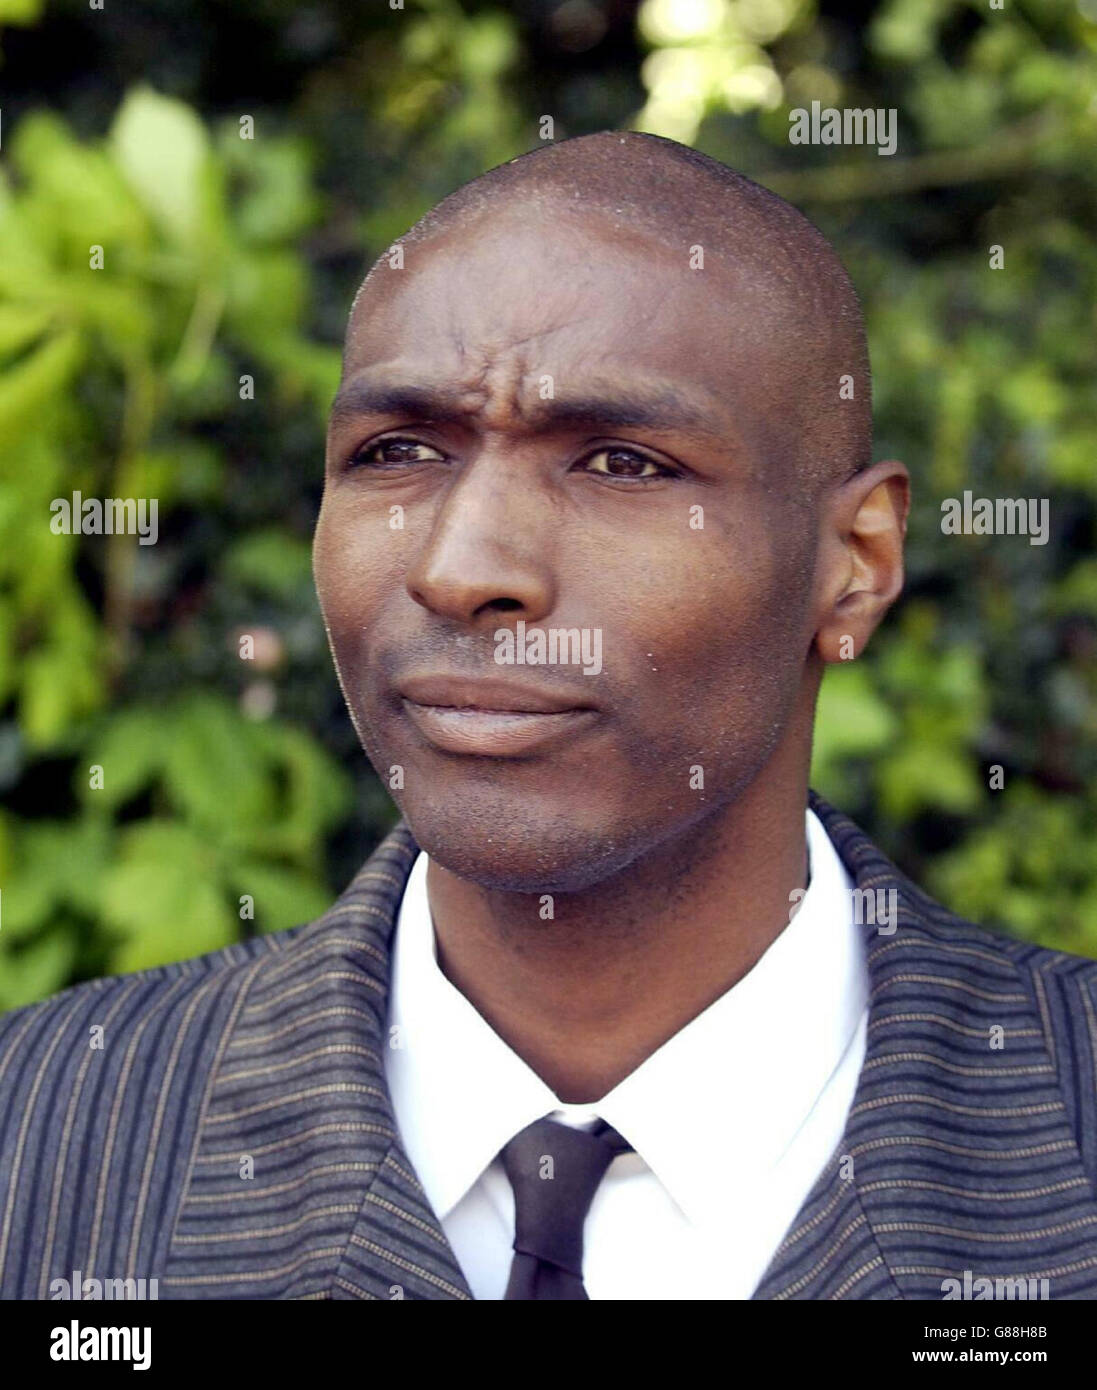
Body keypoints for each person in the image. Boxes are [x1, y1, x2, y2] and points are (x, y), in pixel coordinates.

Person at [2, 132, 1096, 1301]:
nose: (462, 567)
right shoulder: (44, 1132)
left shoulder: (1058, 1120)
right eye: (399, 449)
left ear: (854, 565)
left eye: (622, 464)